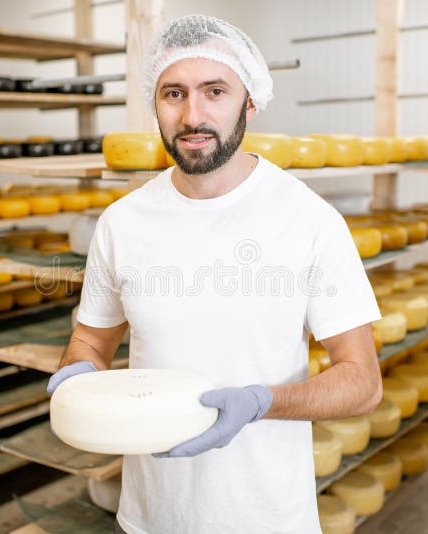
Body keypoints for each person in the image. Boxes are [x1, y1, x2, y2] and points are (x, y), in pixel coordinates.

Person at [47, 14, 382, 534]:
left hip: (268, 519)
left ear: (249, 101)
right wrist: (81, 373)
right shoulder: (121, 223)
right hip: (150, 517)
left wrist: (263, 402)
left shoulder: (309, 220)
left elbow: (362, 383)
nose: (192, 115)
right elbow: (91, 339)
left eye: (215, 91)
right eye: (173, 93)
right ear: (154, 103)